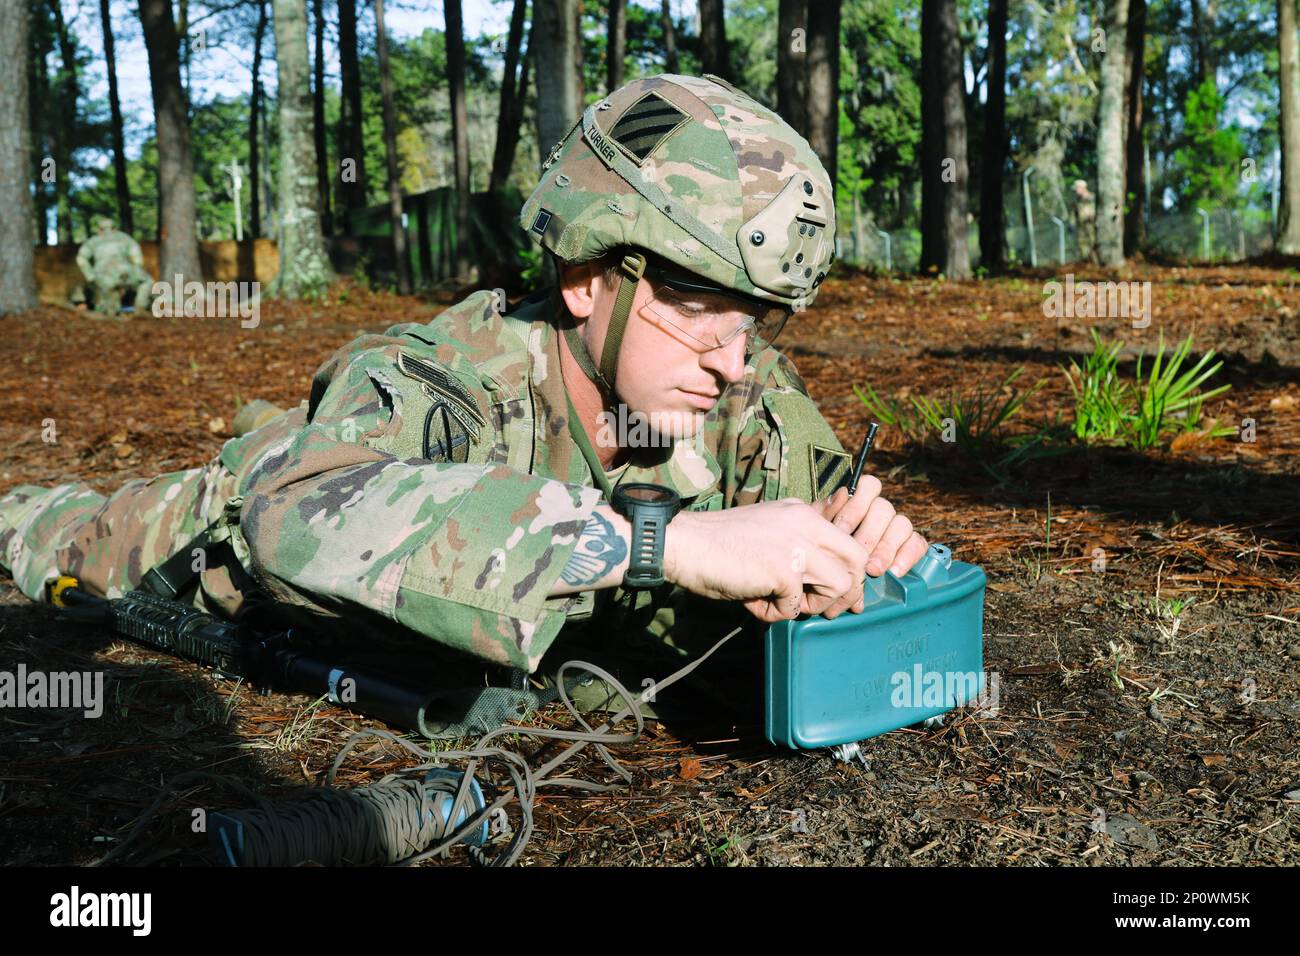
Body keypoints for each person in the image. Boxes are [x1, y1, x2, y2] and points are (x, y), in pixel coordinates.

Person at [1, 75, 928, 718]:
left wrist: (866, 561)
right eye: (701, 316)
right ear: (586, 278)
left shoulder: (734, 383)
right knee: (38, 528)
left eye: (756, 323)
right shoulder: (446, 376)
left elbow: (840, 563)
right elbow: (290, 519)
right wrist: (666, 545)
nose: (735, 361)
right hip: (214, 535)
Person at [75, 217, 155, 316]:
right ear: (115, 228)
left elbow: (81, 259)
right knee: (147, 281)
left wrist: (91, 277)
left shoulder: (93, 241)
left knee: (109, 310)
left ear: (99, 230)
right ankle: (140, 307)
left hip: (104, 278)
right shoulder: (124, 238)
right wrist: (136, 269)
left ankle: (112, 310)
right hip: (125, 274)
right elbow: (137, 256)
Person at [1072, 179, 1097, 265]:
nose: (1075, 191)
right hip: (1081, 227)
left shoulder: (1093, 198)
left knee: (1093, 246)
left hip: (1092, 227)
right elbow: (1074, 214)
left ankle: (1095, 265)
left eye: (1077, 188)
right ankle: (1087, 265)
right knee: (1082, 247)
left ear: (1082, 188)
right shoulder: (1077, 201)